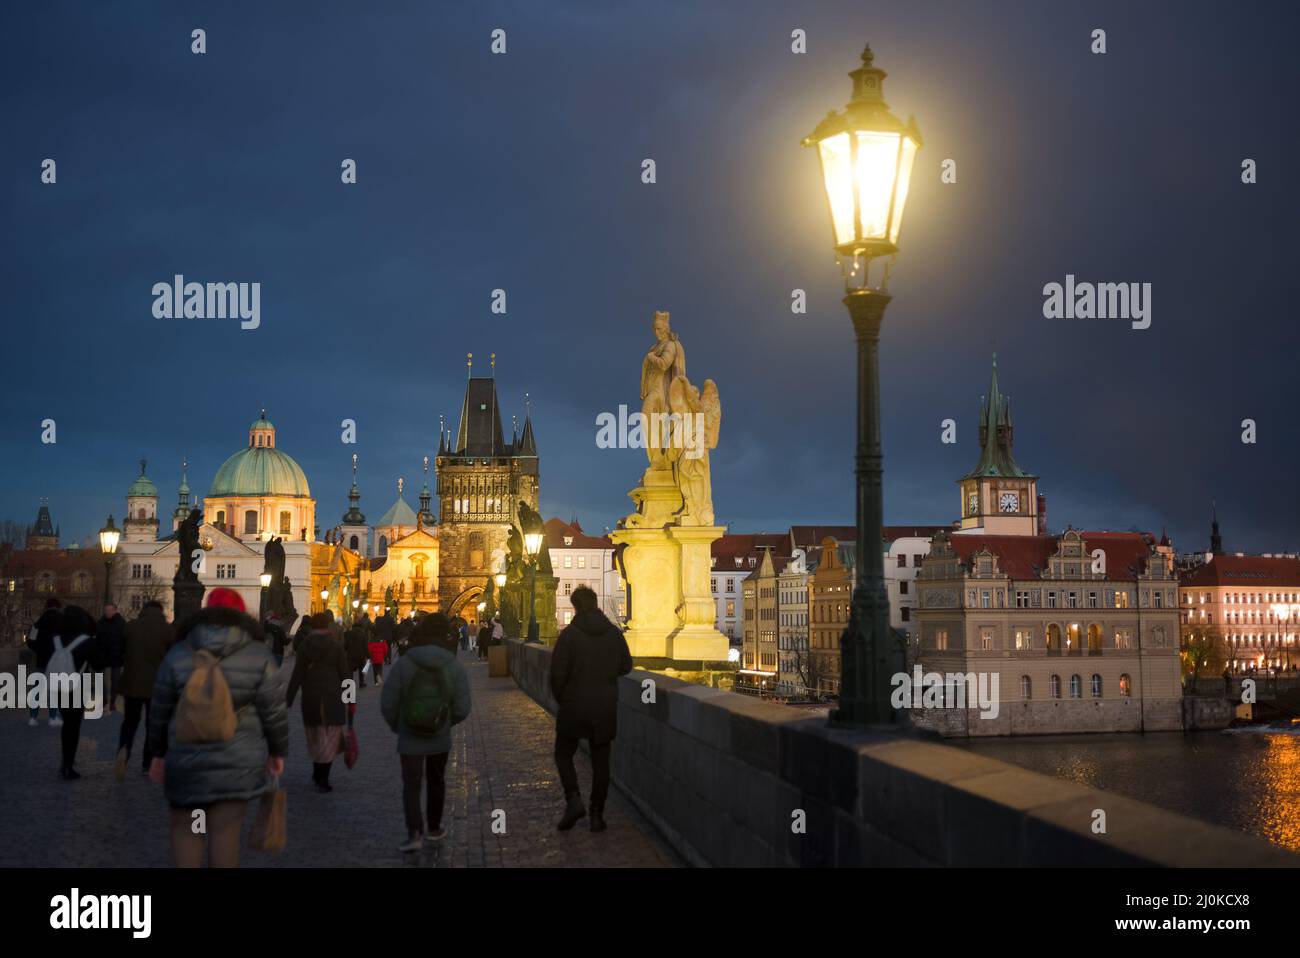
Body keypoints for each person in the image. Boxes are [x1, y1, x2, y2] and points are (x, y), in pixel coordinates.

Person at [146, 588, 289, 867]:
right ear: (242, 615)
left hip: (186, 758)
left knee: (187, 831)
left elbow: (159, 711)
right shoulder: (259, 656)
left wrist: (157, 754)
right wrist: (277, 752)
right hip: (237, 760)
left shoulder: (178, 653)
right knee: (225, 835)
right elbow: (274, 712)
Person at [380, 612, 471, 852]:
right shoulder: (452, 664)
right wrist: (445, 723)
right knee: (436, 780)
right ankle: (434, 828)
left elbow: (388, 702)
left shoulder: (406, 661)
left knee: (411, 785)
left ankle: (414, 834)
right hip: (439, 737)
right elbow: (463, 707)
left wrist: (399, 726)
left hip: (409, 736)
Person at [550, 586, 632, 833]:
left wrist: (564, 700)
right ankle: (597, 814)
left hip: (574, 705)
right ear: (596, 604)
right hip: (604, 706)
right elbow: (626, 666)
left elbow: (556, 676)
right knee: (601, 761)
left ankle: (573, 799)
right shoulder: (614, 634)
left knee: (563, 753)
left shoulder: (569, 635)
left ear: (575, 606)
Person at [285, 611, 350, 792]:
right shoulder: (336, 647)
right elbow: (345, 675)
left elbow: (297, 674)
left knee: (315, 738)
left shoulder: (305, 646)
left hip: (311, 697)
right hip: (332, 698)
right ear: (328, 626)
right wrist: (350, 700)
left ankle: (317, 772)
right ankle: (323, 778)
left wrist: (288, 699)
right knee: (329, 739)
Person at [115, 599, 173, 781]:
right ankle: (147, 764)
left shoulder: (131, 627)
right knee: (152, 725)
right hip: (157, 685)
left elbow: (120, 651)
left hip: (132, 683)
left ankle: (124, 750)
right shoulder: (167, 629)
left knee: (130, 722)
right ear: (160, 612)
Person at [49, 605, 105, 780]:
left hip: (58, 686)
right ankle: (68, 764)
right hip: (78, 686)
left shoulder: (56, 639)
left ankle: (66, 762)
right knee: (73, 726)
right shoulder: (86, 641)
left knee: (67, 724)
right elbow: (99, 664)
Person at [25, 599, 63, 726]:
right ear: (58, 607)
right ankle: (53, 717)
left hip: (41, 660)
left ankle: (33, 717)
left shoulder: (38, 622)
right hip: (56, 660)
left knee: (37, 690)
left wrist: (39, 649)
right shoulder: (62, 621)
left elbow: (30, 641)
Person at [97, 602, 126, 714]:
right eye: (106, 610)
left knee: (115, 681)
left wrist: (122, 653)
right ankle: (104, 702)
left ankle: (112, 702)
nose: (108, 612)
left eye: (110, 610)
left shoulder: (121, 623)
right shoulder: (100, 623)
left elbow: (124, 640)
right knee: (102, 679)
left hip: (116, 655)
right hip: (103, 655)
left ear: (115, 610)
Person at [345, 620, 369, 689]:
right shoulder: (363, 634)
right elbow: (365, 646)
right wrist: (368, 655)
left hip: (351, 655)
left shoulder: (348, 634)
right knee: (361, 670)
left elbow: (345, 645)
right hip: (361, 655)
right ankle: (361, 683)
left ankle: (350, 684)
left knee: (350, 672)